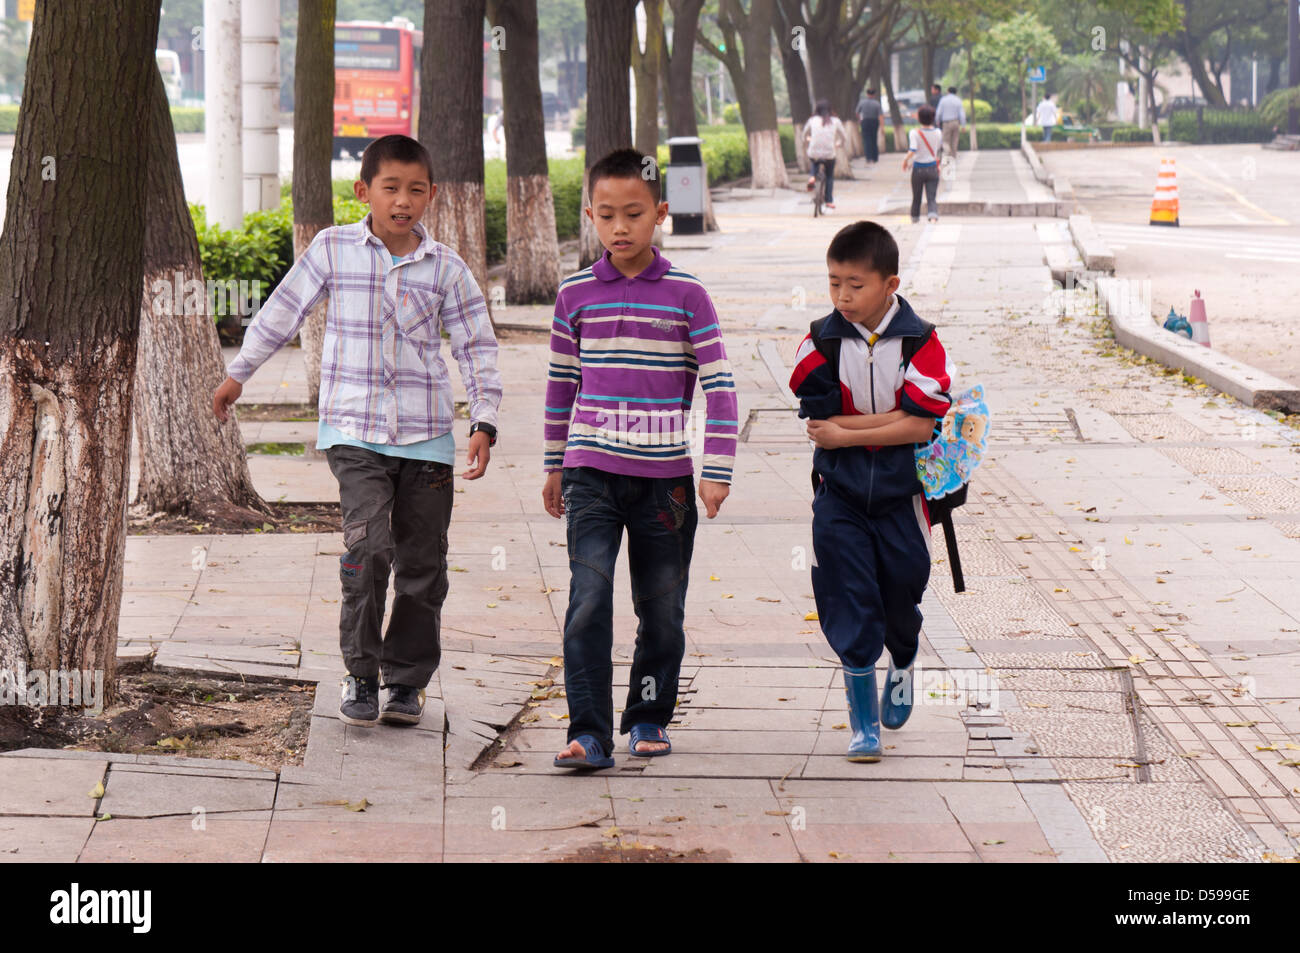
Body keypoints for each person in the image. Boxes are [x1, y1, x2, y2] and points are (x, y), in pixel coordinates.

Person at [212, 134, 502, 729]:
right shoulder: (333, 249)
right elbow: (282, 310)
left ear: (431, 195)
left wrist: (484, 419)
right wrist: (239, 373)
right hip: (354, 432)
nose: (402, 201)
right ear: (364, 191)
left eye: (415, 190)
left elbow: (476, 345)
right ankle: (361, 675)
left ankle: (405, 683)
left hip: (426, 439)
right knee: (368, 549)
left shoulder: (446, 266)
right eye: (390, 188)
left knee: (424, 566)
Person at [543, 149, 737, 770]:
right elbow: (560, 386)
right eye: (606, 215)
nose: (620, 227)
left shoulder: (688, 293)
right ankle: (588, 731)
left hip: (667, 485)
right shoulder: (573, 294)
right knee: (588, 601)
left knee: (662, 611)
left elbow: (721, 385)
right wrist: (553, 465)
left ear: (660, 213)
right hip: (591, 474)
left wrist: (716, 468)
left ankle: (649, 713)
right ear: (590, 218)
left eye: (633, 214)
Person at [788, 220, 954, 761]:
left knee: (901, 593)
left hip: (902, 498)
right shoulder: (817, 341)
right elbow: (821, 426)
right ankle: (863, 726)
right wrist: (875, 423)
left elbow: (921, 427)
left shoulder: (924, 342)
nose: (842, 296)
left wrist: (848, 431)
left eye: (856, 284)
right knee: (848, 595)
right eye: (834, 281)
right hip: (837, 496)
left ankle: (903, 659)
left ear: (890, 283)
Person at [803, 99, 848, 210]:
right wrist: (839, 144)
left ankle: (812, 177)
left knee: (814, 161)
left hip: (814, 151)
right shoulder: (835, 121)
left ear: (817, 109)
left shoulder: (812, 120)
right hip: (829, 152)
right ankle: (829, 201)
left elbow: (804, 134)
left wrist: (807, 141)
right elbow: (844, 137)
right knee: (829, 176)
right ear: (830, 109)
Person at [903, 104, 943, 223]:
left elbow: (913, 150)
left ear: (919, 118)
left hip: (918, 170)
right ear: (933, 118)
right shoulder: (938, 132)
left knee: (916, 197)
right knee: (932, 197)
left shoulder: (914, 133)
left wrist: (905, 160)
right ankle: (933, 216)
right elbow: (937, 150)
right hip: (932, 168)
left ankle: (915, 218)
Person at [935, 85, 966, 171]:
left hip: (946, 123)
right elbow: (962, 114)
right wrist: (963, 125)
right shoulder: (958, 100)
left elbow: (938, 112)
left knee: (945, 141)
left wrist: (937, 121)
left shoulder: (943, 100)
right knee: (954, 141)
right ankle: (953, 160)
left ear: (948, 91)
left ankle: (947, 156)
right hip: (956, 122)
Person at [855, 88, 882, 164]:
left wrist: (860, 119)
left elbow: (857, 112)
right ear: (874, 95)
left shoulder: (862, 102)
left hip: (865, 122)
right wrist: (882, 126)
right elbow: (880, 115)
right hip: (874, 122)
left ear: (867, 94)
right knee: (874, 139)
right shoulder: (877, 103)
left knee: (866, 140)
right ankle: (875, 158)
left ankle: (868, 158)